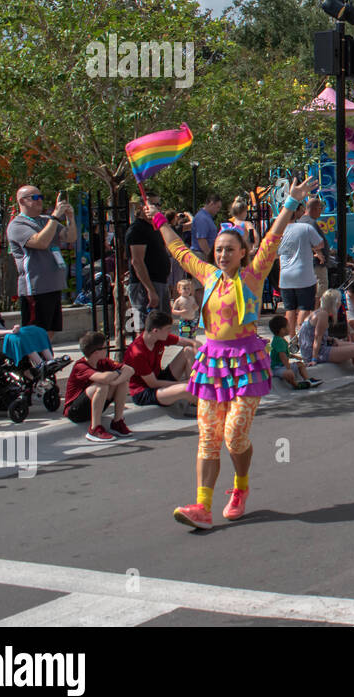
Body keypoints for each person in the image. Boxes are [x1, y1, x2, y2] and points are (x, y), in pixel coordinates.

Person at [145, 176, 317, 530]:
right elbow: (178, 249)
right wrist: (159, 219)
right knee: (208, 436)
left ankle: (239, 489)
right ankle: (203, 506)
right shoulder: (207, 276)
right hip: (211, 364)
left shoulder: (252, 277)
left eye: (229, 249)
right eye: (219, 249)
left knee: (234, 434)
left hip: (246, 363)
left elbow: (271, 239)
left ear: (243, 253)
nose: (222, 254)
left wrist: (289, 203)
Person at [7, 186, 77, 332]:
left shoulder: (47, 220)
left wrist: (70, 217)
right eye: (34, 198)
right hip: (35, 287)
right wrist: (55, 216)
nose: (39, 201)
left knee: (51, 329)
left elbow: (70, 237)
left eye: (41, 197)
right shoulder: (17, 224)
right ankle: (33, 356)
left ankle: (45, 355)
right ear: (22, 201)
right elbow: (40, 242)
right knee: (35, 332)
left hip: (53, 284)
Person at [0, 284, 68, 380]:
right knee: (18, 336)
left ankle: (50, 360)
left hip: (2, 341)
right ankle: (40, 365)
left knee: (36, 330)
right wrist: (11, 331)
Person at [64, 331, 135, 442]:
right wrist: (117, 373)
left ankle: (117, 422)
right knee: (102, 386)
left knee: (122, 383)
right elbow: (103, 378)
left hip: (94, 404)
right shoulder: (81, 366)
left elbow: (130, 370)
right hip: (75, 411)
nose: (107, 350)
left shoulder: (103, 362)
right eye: (104, 347)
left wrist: (115, 382)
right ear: (96, 352)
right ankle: (94, 429)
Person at [124, 311, 199, 416]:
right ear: (155, 330)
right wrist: (185, 383)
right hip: (145, 392)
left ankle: (194, 398)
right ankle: (196, 398)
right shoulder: (137, 353)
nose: (170, 331)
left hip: (159, 378)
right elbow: (153, 383)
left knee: (189, 350)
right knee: (186, 388)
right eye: (168, 329)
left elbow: (191, 342)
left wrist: (198, 351)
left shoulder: (159, 337)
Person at [279, 196, 326, 338]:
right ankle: (301, 334)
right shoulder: (305, 228)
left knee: (290, 309)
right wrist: (312, 249)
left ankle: (291, 337)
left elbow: (274, 253)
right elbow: (320, 244)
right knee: (305, 307)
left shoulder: (278, 232)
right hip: (304, 275)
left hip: (285, 276)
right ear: (296, 212)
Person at [127, 192, 172, 324]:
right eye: (153, 204)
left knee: (162, 327)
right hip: (146, 286)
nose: (156, 207)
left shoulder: (154, 227)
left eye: (159, 204)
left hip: (160, 282)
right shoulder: (137, 229)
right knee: (146, 328)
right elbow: (137, 261)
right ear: (142, 207)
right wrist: (150, 290)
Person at [298, 289, 354, 371]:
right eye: (339, 301)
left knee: (353, 345)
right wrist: (314, 359)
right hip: (317, 353)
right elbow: (317, 337)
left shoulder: (317, 312)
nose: (340, 303)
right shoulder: (323, 315)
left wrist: (331, 339)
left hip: (313, 350)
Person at [268, 315, 322, 389]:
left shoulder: (280, 339)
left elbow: (285, 354)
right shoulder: (279, 341)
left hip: (283, 365)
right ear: (282, 330)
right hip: (277, 368)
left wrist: (295, 357)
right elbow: (282, 356)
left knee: (300, 364)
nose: (290, 328)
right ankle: (296, 385)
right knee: (289, 374)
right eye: (288, 326)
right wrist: (288, 368)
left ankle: (308, 380)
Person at [304, 198, 329, 301]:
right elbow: (312, 241)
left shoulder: (304, 220)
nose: (321, 210)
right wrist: (318, 253)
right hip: (317, 262)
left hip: (312, 261)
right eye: (320, 208)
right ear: (315, 209)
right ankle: (317, 309)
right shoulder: (310, 223)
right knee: (321, 284)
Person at [192, 193, 223, 264]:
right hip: (202, 256)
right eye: (218, 207)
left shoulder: (207, 217)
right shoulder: (202, 218)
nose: (218, 210)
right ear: (211, 204)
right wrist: (211, 257)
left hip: (205, 255)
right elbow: (202, 240)